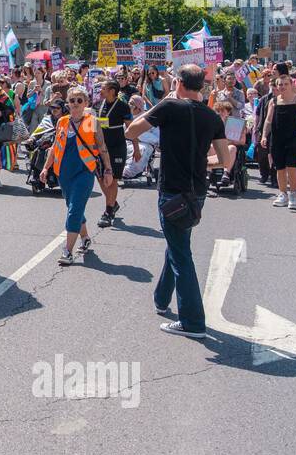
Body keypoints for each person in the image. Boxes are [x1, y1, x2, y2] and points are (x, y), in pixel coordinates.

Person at [126, 64, 232, 339]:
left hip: (173, 190)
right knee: (178, 243)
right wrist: (200, 163)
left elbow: (132, 131)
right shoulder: (212, 116)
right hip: (197, 191)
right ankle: (161, 298)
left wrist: (165, 99)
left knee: (181, 254)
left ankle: (193, 322)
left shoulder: (169, 107)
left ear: (179, 83)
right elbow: (225, 160)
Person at [41, 86, 113, 266]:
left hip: (84, 172)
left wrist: (108, 170)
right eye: (72, 100)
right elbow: (55, 147)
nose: (75, 104)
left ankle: (67, 251)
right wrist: (45, 168)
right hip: (64, 173)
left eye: (79, 100)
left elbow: (103, 149)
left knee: (74, 210)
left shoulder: (92, 122)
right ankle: (86, 237)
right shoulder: (62, 122)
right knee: (73, 207)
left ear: (86, 103)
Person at [260, 70, 296, 209]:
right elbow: (268, 121)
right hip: (277, 139)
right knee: (279, 168)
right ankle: (283, 194)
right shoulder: (273, 102)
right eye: (280, 85)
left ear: (291, 84)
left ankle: (293, 194)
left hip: (294, 139)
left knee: (292, 167)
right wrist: (264, 136)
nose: (282, 87)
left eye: (285, 84)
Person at [95, 79, 132, 228]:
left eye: (103, 88)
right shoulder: (98, 104)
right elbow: (95, 125)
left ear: (112, 91)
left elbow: (131, 128)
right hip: (101, 148)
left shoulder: (123, 106)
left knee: (112, 180)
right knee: (101, 178)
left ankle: (108, 211)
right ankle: (113, 202)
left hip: (117, 147)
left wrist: (135, 148)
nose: (100, 90)